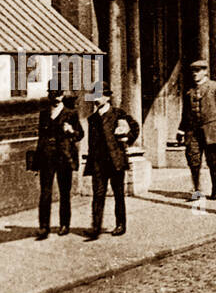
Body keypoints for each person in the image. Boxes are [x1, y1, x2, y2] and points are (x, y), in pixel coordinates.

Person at [84, 87, 139, 240]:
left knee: (118, 194)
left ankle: (121, 224)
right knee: (98, 195)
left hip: (115, 161)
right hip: (98, 162)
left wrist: (127, 138)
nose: (96, 99)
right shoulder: (92, 118)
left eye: (99, 95)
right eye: (94, 96)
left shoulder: (118, 114)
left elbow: (134, 127)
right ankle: (96, 227)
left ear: (107, 97)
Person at [34, 88, 82, 239]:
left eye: (57, 94)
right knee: (45, 192)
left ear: (62, 96)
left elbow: (80, 134)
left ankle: (64, 224)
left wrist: (71, 131)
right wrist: (37, 160)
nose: (54, 97)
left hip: (63, 157)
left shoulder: (71, 113)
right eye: (52, 94)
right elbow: (41, 138)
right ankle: (44, 227)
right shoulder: (44, 113)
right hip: (47, 157)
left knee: (64, 192)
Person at [180, 59, 216, 200]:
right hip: (193, 132)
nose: (195, 74)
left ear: (205, 72)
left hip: (211, 130)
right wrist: (181, 130)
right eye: (193, 71)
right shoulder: (190, 91)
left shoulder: (214, 87)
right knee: (193, 161)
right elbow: (185, 113)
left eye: (198, 71)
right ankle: (196, 191)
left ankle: (215, 190)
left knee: (213, 161)